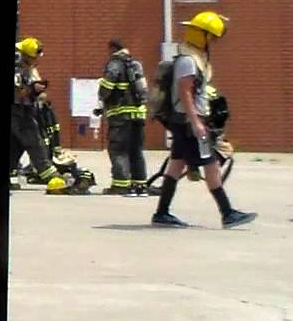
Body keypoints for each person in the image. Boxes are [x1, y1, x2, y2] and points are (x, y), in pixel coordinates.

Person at [152, 12, 255, 229]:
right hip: (190, 124)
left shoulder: (192, 58)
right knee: (211, 166)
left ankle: (161, 213)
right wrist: (197, 123)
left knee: (176, 166)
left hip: (184, 122)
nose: (214, 42)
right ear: (203, 36)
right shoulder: (189, 61)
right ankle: (227, 213)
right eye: (213, 37)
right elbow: (185, 92)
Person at [98, 39, 149, 196]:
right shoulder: (136, 64)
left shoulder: (114, 64)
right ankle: (140, 184)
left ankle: (121, 185)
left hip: (120, 116)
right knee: (136, 150)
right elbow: (144, 91)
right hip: (138, 116)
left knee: (119, 150)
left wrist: (102, 97)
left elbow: (106, 89)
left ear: (113, 48)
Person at [13, 38, 65, 187]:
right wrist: (32, 90)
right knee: (34, 143)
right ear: (26, 55)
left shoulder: (28, 69)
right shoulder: (17, 69)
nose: (37, 60)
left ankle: (5, 176)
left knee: (14, 145)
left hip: (25, 110)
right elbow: (17, 92)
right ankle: (50, 176)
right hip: (18, 111)